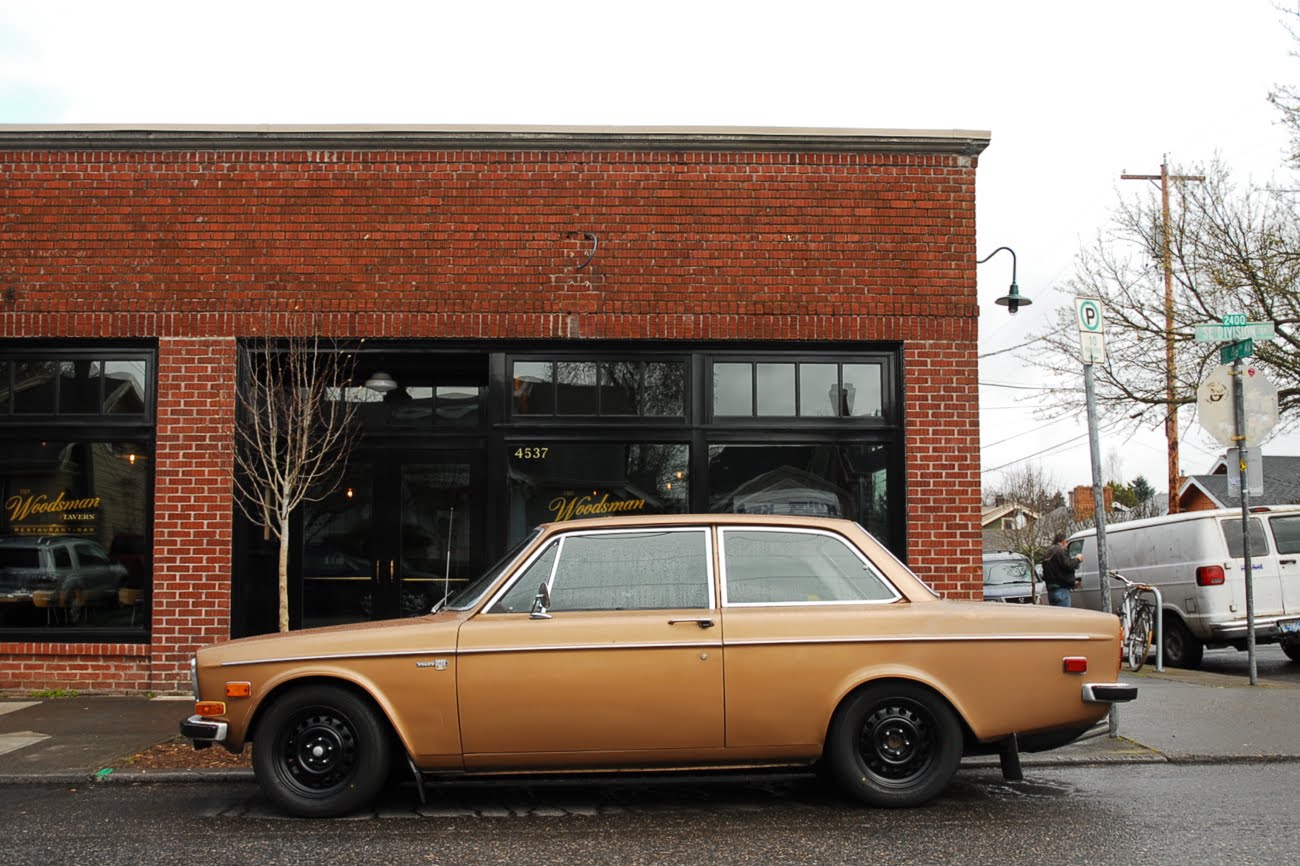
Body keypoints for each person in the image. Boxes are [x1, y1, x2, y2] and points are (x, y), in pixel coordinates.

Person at [1041, 532, 1084, 607]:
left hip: (1051, 591)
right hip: (1061, 590)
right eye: (1066, 543)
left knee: (1056, 614)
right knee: (1065, 613)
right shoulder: (1061, 551)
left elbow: (1058, 572)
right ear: (1063, 542)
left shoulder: (1048, 552)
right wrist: (1077, 559)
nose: (1066, 546)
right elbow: (1068, 565)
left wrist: (1072, 582)